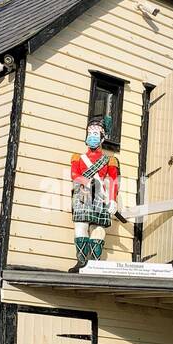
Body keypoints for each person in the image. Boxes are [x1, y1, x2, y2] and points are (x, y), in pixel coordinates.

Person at [70, 115, 119, 269]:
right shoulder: (78, 158)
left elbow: (113, 180)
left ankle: (94, 264)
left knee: (98, 228)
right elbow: (74, 175)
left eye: (95, 134)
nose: (92, 137)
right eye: (89, 134)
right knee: (80, 226)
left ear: (102, 138)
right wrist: (85, 181)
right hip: (83, 195)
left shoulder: (110, 160)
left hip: (100, 196)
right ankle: (82, 262)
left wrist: (112, 199)